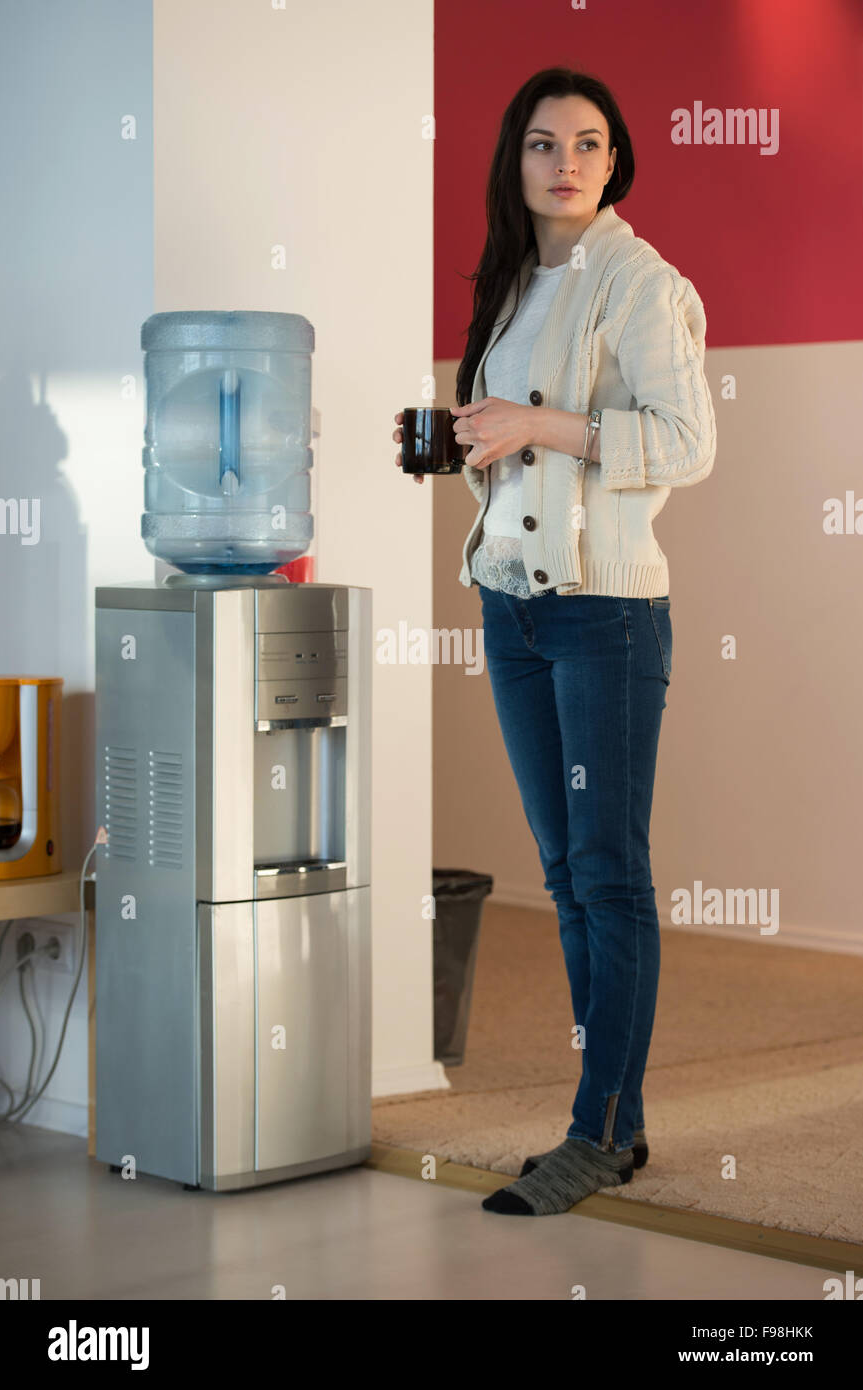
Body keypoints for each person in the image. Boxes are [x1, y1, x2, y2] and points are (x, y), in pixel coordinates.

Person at [393, 67, 716, 1216]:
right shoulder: (514, 282)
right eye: (541, 143)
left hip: (604, 612)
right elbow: (524, 449)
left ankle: (598, 1130)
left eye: (587, 142)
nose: (565, 161)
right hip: (514, 604)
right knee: (569, 875)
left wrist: (536, 424)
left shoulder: (638, 280)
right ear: (516, 163)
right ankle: (612, 1122)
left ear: (616, 161)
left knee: (609, 875)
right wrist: (469, 441)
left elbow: (685, 440)